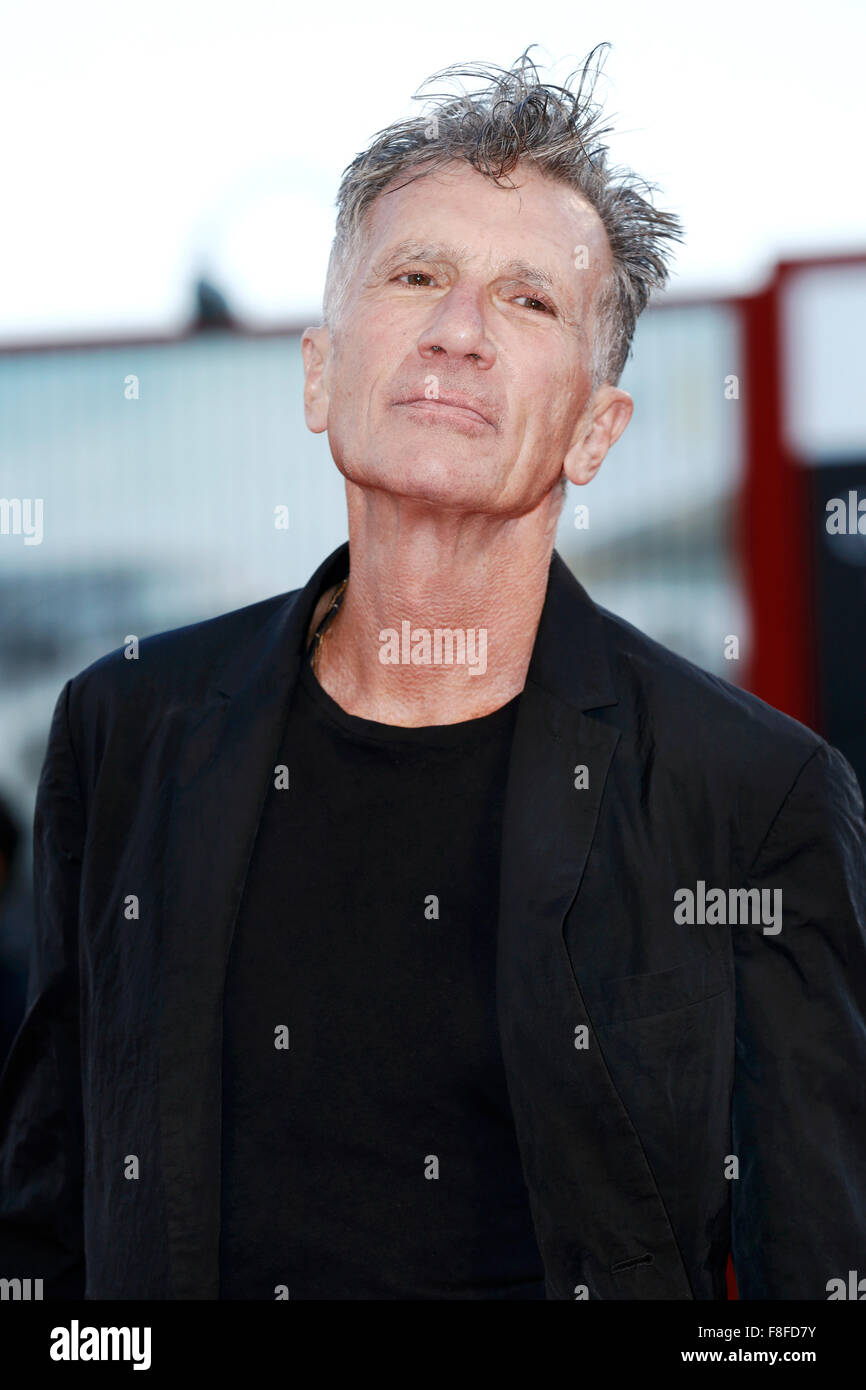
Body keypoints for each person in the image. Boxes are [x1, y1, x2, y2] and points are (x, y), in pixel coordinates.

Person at [1, 45, 865, 1302]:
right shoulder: (125, 730)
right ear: (317, 371)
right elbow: (46, 1218)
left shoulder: (750, 797)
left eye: (527, 302)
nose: (458, 331)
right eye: (415, 276)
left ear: (593, 429)